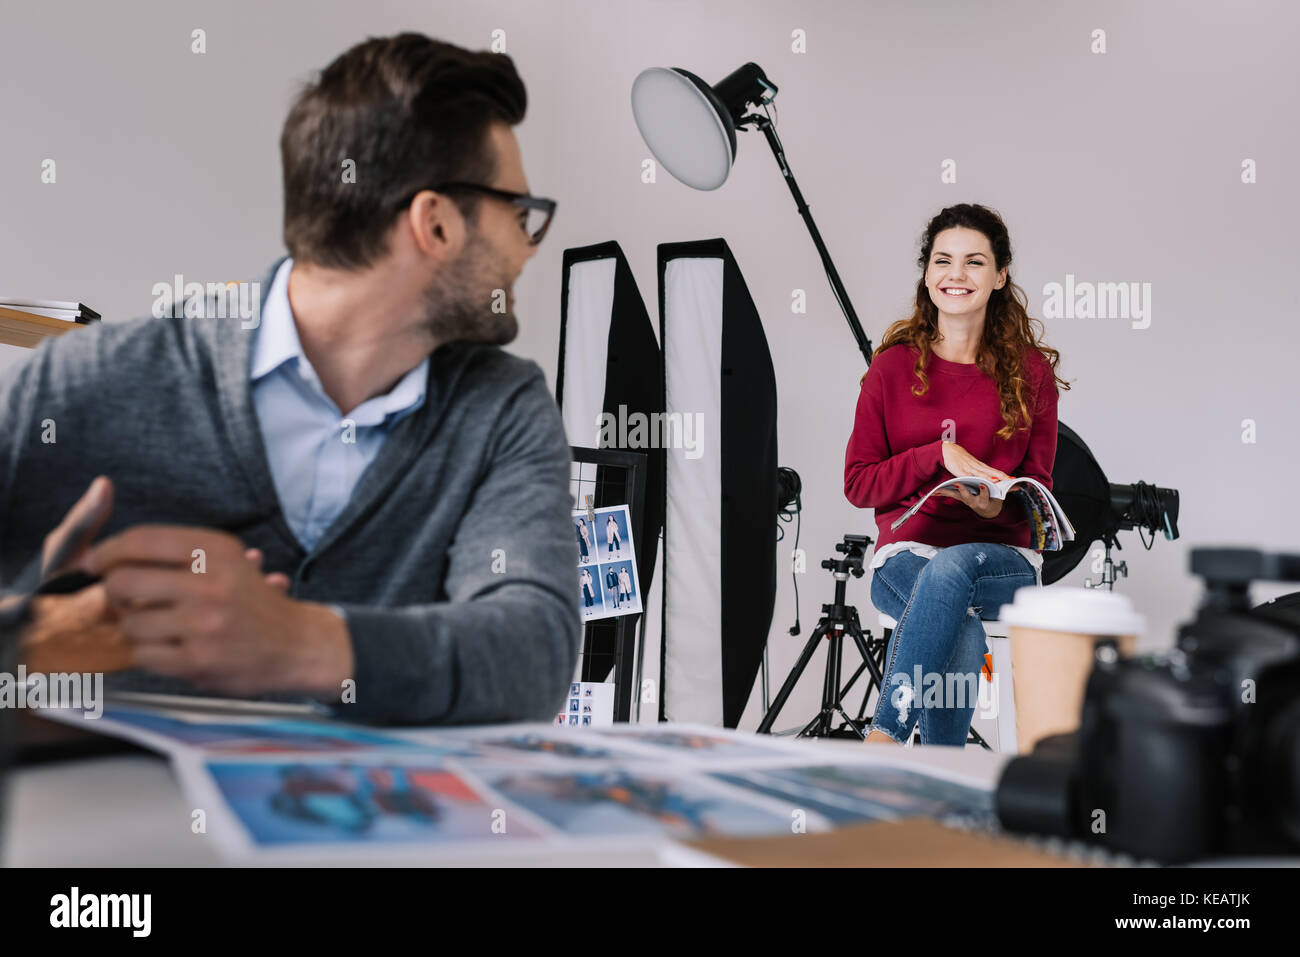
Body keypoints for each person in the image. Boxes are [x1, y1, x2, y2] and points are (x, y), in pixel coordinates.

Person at [0, 34, 577, 725]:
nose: (528, 246)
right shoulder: (81, 383)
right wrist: (41, 633)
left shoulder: (500, 411)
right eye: (519, 214)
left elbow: (532, 650)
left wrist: (301, 642)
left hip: (383, 829)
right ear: (436, 224)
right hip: (113, 826)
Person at [844, 203, 1069, 746]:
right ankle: (945, 771)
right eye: (943, 260)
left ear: (1000, 275)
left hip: (1002, 564)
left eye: (974, 262)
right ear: (927, 274)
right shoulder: (891, 368)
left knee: (954, 567)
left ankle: (886, 737)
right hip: (906, 557)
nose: (957, 275)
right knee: (957, 623)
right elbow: (858, 483)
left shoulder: (1031, 372)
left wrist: (998, 505)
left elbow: (1038, 489)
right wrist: (937, 456)